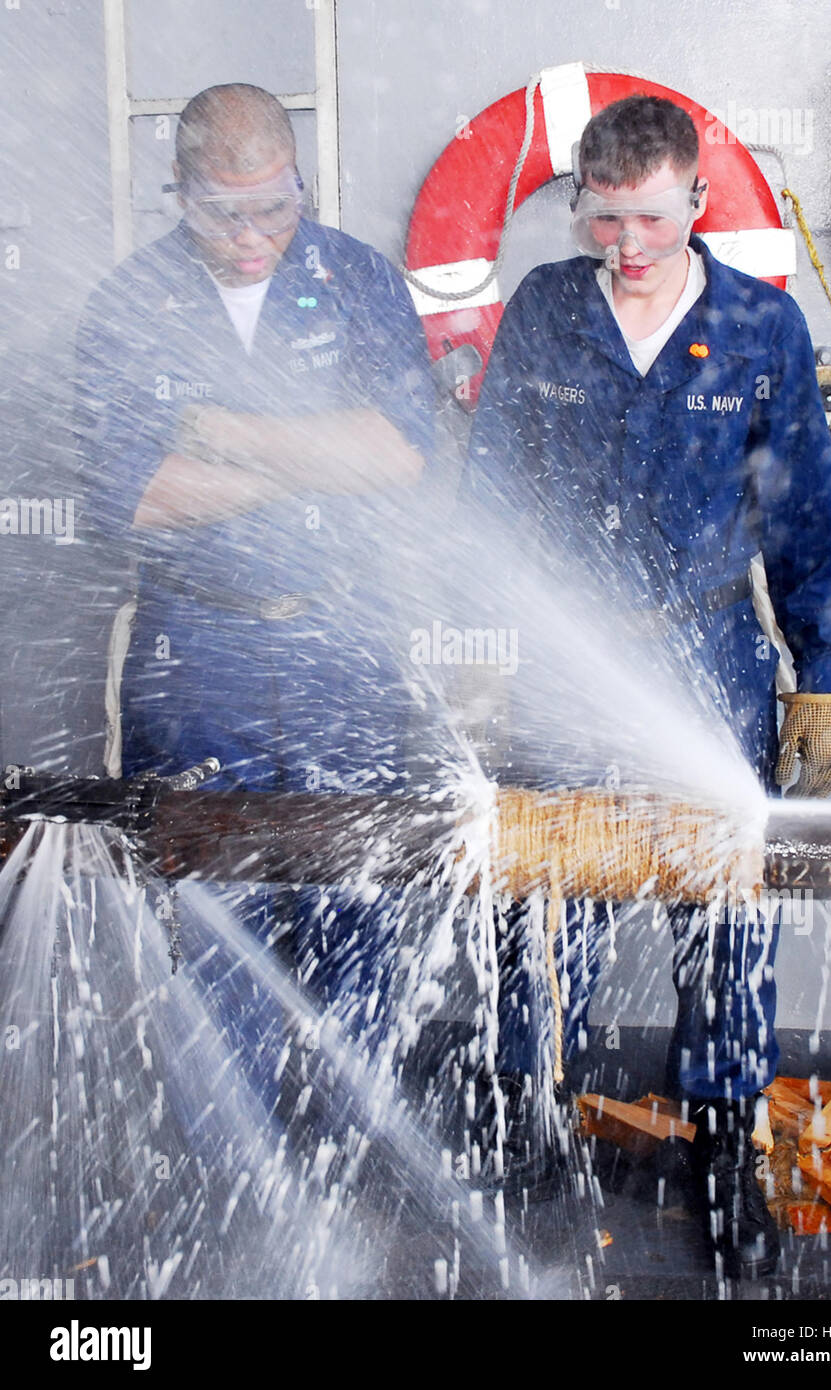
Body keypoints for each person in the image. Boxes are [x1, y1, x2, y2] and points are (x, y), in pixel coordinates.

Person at [462, 95, 831, 1277]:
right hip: (563, 664)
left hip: (708, 662)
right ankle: (527, 1133)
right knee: (538, 911)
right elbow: (491, 496)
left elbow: (806, 518)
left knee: (730, 919)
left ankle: (726, 1143)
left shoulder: (760, 329)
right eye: (602, 218)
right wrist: (482, 654)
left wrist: (821, 678)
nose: (625, 245)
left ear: (696, 201)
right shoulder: (544, 312)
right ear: (577, 204)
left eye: (647, 217)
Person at [74, 84, 436, 1106]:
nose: (251, 236)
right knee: (209, 916)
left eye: (274, 210)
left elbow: (399, 454)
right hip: (196, 657)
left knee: (356, 908)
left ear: (299, 187)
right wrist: (322, 455)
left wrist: (228, 435)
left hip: (343, 644)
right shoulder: (127, 304)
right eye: (222, 213)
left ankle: (343, 1142)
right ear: (177, 195)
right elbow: (136, 496)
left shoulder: (356, 278)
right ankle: (227, 1165)